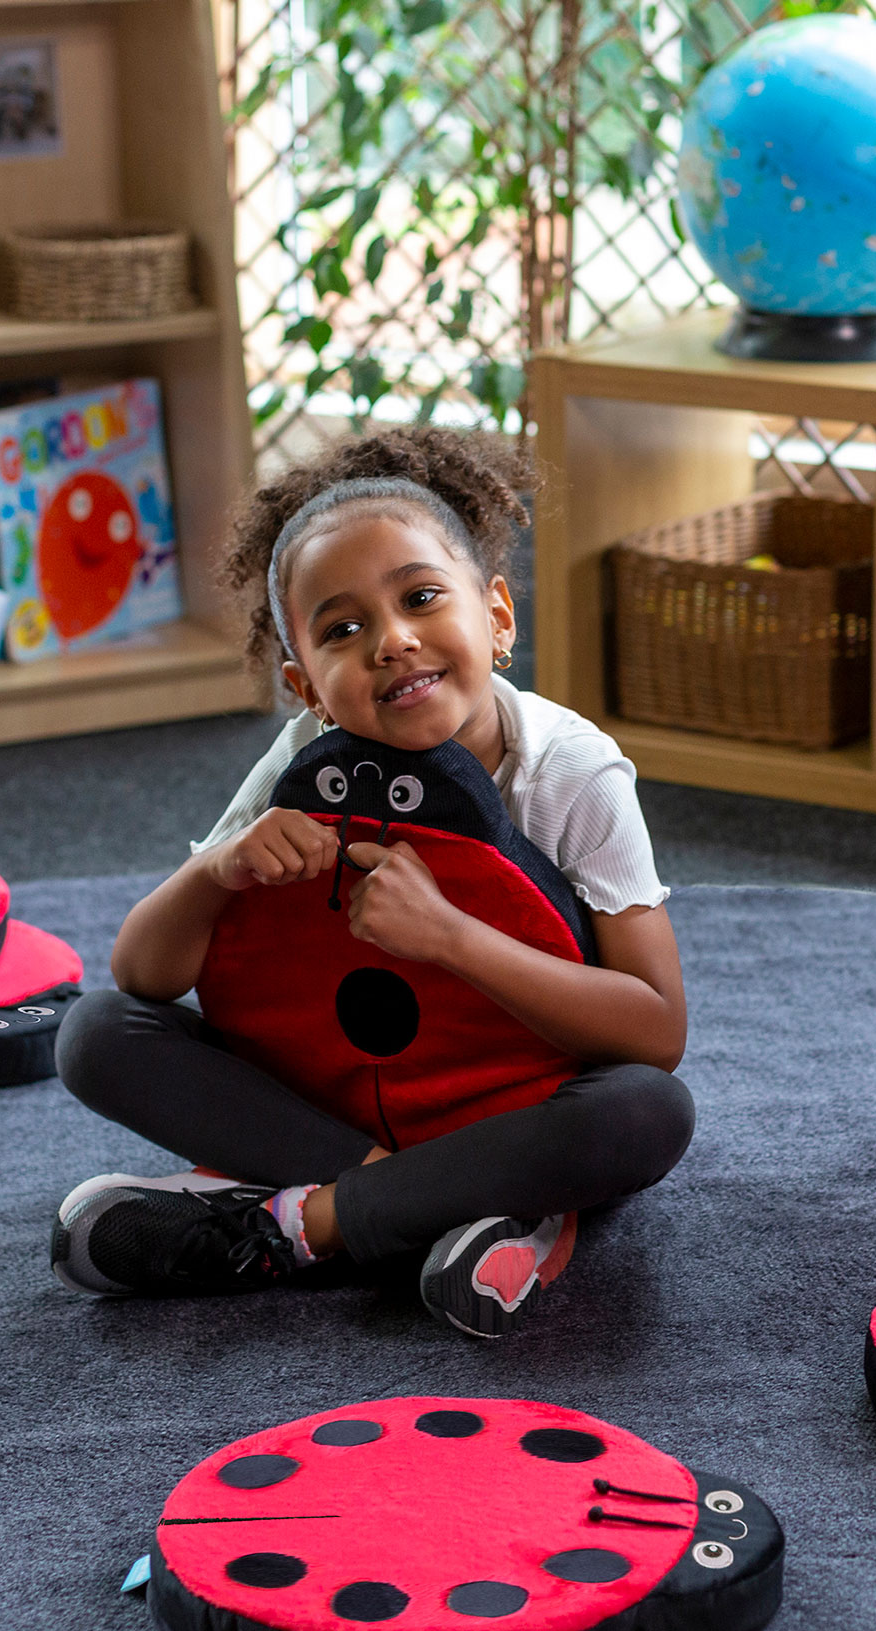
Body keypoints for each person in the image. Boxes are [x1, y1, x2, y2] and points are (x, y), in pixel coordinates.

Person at [48, 427, 694, 1335]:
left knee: (647, 1111)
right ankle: (446, 1205)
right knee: (93, 1032)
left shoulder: (570, 770)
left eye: (421, 598)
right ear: (306, 687)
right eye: (342, 630)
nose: (392, 641)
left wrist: (451, 937)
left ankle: (297, 1224)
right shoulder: (304, 760)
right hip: (336, 1093)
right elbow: (143, 977)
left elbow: (656, 1032)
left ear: (498, 617)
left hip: (511, 1103)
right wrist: (218, 869)